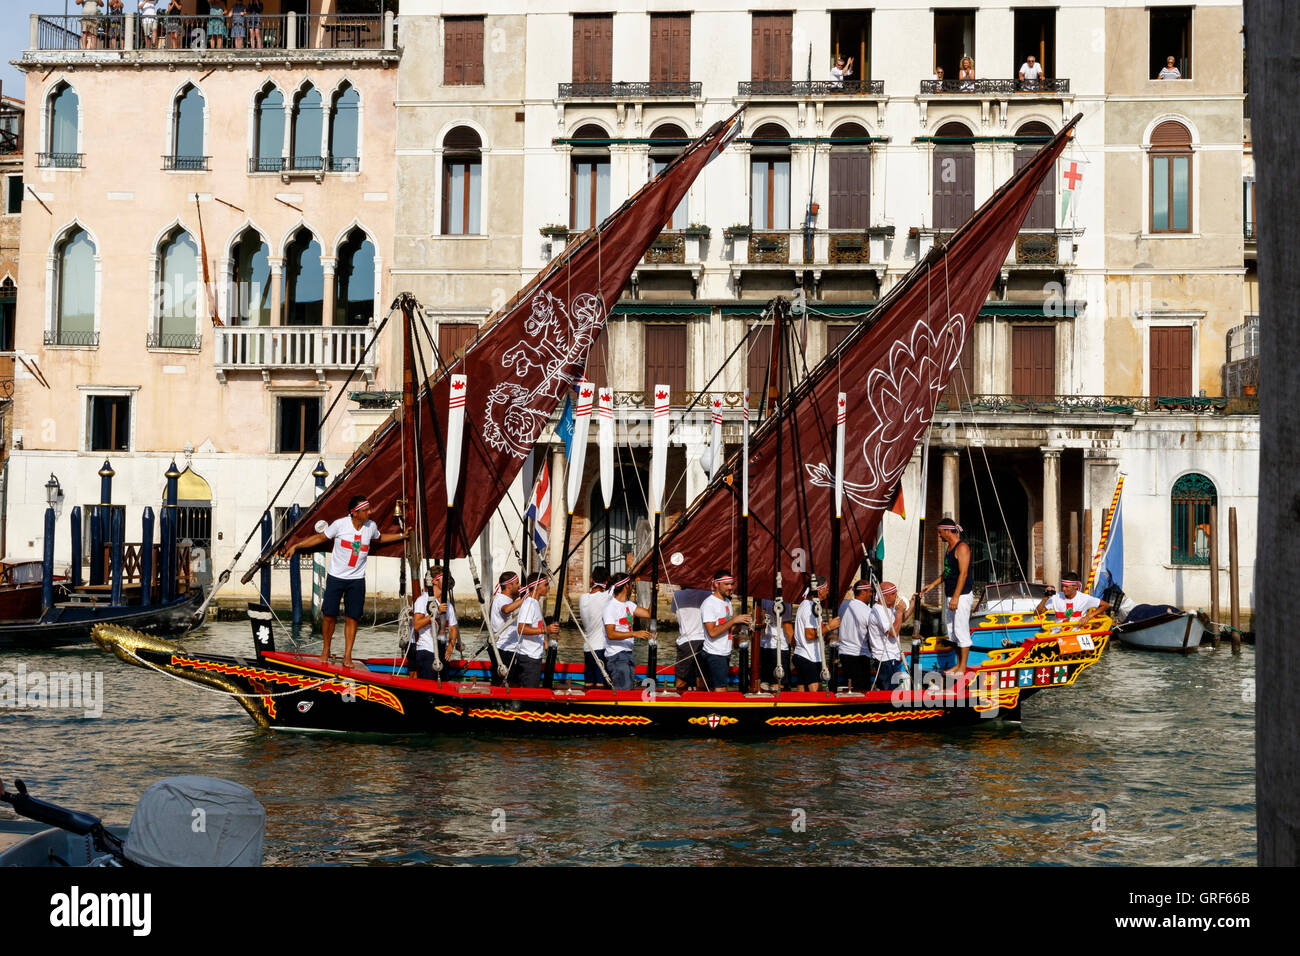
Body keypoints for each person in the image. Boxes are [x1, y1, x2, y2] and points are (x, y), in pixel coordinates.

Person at [281, 495, 408, 670]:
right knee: (329, 615)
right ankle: (325, 650)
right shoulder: (340, 524)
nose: (369, 512)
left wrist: (402, 535)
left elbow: (379, 539)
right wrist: (297, 546)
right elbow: (319, 539)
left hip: (356, 580)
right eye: (365, 510)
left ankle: (347, 655)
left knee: (352, 617)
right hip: (336, 577)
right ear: (354, 513)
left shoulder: (370, 527)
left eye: (368, 509)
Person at [922, 517, 973, 677]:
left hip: (961, 595)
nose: (938, 535)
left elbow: (963, 574)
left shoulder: (962, 547)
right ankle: (957, 665)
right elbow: (948, 572)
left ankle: (962, 667)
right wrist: (932, 585)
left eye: (939, 532)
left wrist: (956, 597)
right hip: (950, 594)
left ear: (947, 531)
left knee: (961, 630)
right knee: (952, 632)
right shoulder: (949, 548)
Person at [700, 571, 751, 691]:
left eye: (731, 584)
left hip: (725, 652)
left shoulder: (727, 602)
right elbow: (712, 633)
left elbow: (728, 628)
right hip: (715, 653)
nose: (730, 587)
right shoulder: (709, 604)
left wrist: (741, 625)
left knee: (721, 687)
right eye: (726, 584)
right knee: (720, 689)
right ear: (717, 584)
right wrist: (734, 621)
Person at [601, 574, 652, 690]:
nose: (632, 586)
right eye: (631, 584)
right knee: (623, 691)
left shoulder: (629, 605)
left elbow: (648, 614)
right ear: (626, 586)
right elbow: (611, 634)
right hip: (616, 656)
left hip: (628, 653)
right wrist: (634, 633)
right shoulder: (610, 607)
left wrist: (654, 594)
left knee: (628, 688)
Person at [514, 572, 559, 688]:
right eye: (546, 585)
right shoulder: (529, 604)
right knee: (529, 691)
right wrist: (545, 630)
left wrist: (544, 642)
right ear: (537, 587)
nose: (548, 588)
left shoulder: (535, 603)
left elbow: (535, 626)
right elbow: (521, 629)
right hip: (529, 658)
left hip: (534, 656)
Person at [410, 569, 456, 681]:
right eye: (445, 578)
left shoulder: (448, 604)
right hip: (427, 651)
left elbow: (453, 629)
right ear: (435, 581)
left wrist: (451, 646)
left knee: (444, 687)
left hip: (443, 653)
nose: (448, 581)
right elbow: (416, 625)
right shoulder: (422, 600)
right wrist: (436, 613)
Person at [792, 579, 838, 692]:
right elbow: (809, 635)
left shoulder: (806, 604)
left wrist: (828, 634)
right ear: (819, 590)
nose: (828, 591)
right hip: (809, 657)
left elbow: (814, 632)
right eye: (826, 588)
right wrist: (829, 627)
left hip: (802, 655)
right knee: (815, 692)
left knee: (802, 690)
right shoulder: (810, 607)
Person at [866, 582, 911, 690]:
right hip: (885, 659)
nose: (897, 597)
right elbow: (892, 633)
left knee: (893, 687)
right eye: (894, 594)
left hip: (891, 657)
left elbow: (901, 620)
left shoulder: (888, 609)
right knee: (889, 689)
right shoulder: (879, 611)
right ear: (885, 596)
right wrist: (899, 612)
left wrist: (913, 601)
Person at [670, 585, 710, 693]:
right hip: (703, 640)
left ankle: (681, 701)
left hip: (686, 641)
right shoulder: (707, 594)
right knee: (702, 679)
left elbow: (675, 612)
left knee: (681, 680)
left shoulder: (677, 595)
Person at [836, 581, 874, 691]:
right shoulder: (868, 611)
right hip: (859, 654)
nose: (871, 594)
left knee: (849, 686)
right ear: (863, 592)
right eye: (870, 592)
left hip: (843, 653)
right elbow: (870, 635)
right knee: (862, 688)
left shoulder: (843, 605)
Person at [579, 565, 612, 689]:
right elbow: (621, 584)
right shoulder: (605, 597)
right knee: (599, 686)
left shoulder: (583, 598)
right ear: (606, 582)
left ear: (591, 580)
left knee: (588, 685)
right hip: (600, 648)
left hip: (588, 648)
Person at [1033, 572, 1110, 624]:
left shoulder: (1084, 598)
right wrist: (1045, 598)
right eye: (1062, 586)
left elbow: (1106, 605)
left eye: (1066, 587)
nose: (1063, 589)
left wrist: (1088, 617)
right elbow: (1036, 613)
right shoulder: (1055, 597)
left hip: (1076, 633)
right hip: (1057, 632)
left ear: (1075, 586)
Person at [489, 571, 523, 686]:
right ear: (509, 586)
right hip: (504, 649)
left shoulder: (507, 599)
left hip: (510, 649)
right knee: (506, 683)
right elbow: (506, 610)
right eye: (517, 583)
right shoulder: (501, 599)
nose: (520, 586)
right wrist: (524, 599)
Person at [756, 596, 794, 690]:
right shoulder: (785, 600)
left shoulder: (763, 597)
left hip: (764, 644)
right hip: (780, 647)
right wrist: (796, 647)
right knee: (778, 682)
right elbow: (787, 626)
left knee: (765, 682)